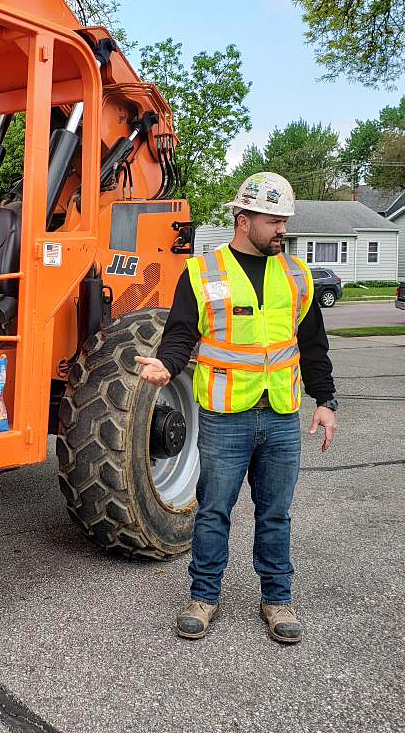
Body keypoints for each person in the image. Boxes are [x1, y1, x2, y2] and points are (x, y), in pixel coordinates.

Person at [135, 172, 338, 644]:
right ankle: (203, 598)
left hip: (282, 414)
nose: (282, 229)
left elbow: (313, 346)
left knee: (275, 514)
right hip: (226, 416)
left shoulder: (297, 275)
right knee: (213, 510)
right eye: (274, 221)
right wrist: (167, 365)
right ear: (243, 220)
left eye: (285, 220)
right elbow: (181, 332)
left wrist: (325, 400)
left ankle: (277, 599)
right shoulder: (202, 272)